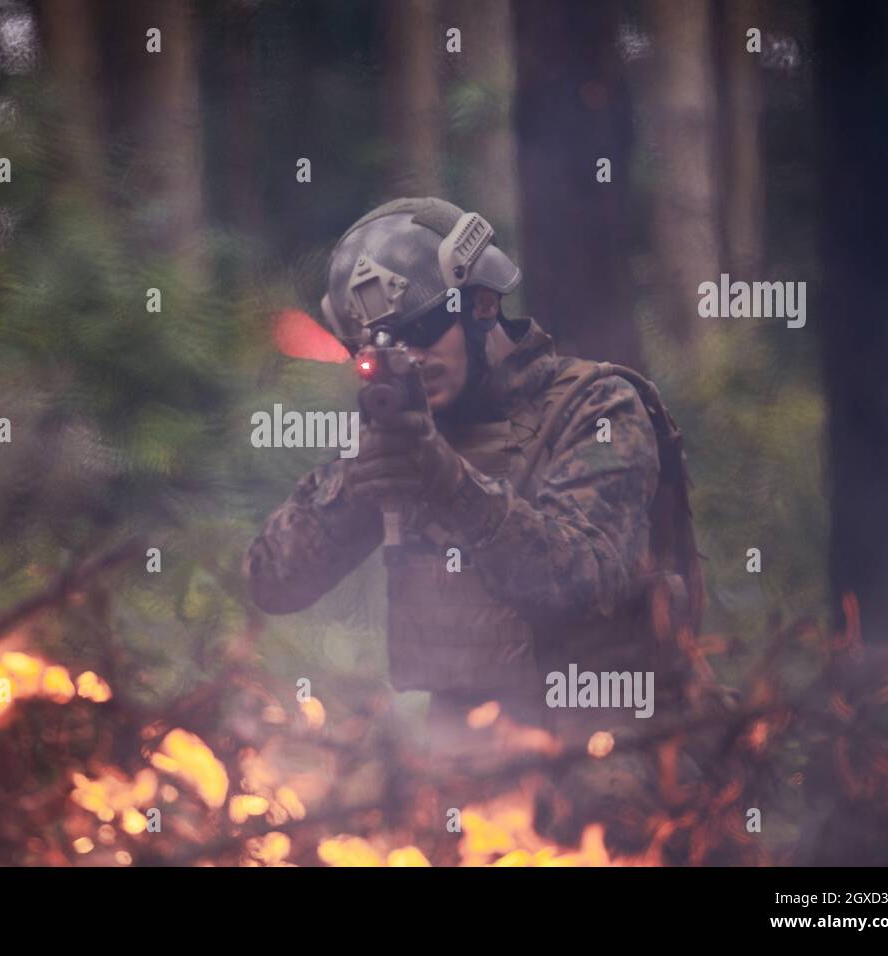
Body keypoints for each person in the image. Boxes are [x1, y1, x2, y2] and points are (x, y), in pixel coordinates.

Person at [244, 197, 705, 850]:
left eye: (424, 330)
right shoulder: (398, 435)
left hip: (609, 736)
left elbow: (579, 578)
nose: (411, 358)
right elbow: (273, 581)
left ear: (482, 304)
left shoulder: (596, 406)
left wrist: (447, 482)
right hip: (461, 746)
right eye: (380, 347)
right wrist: (360, 479)